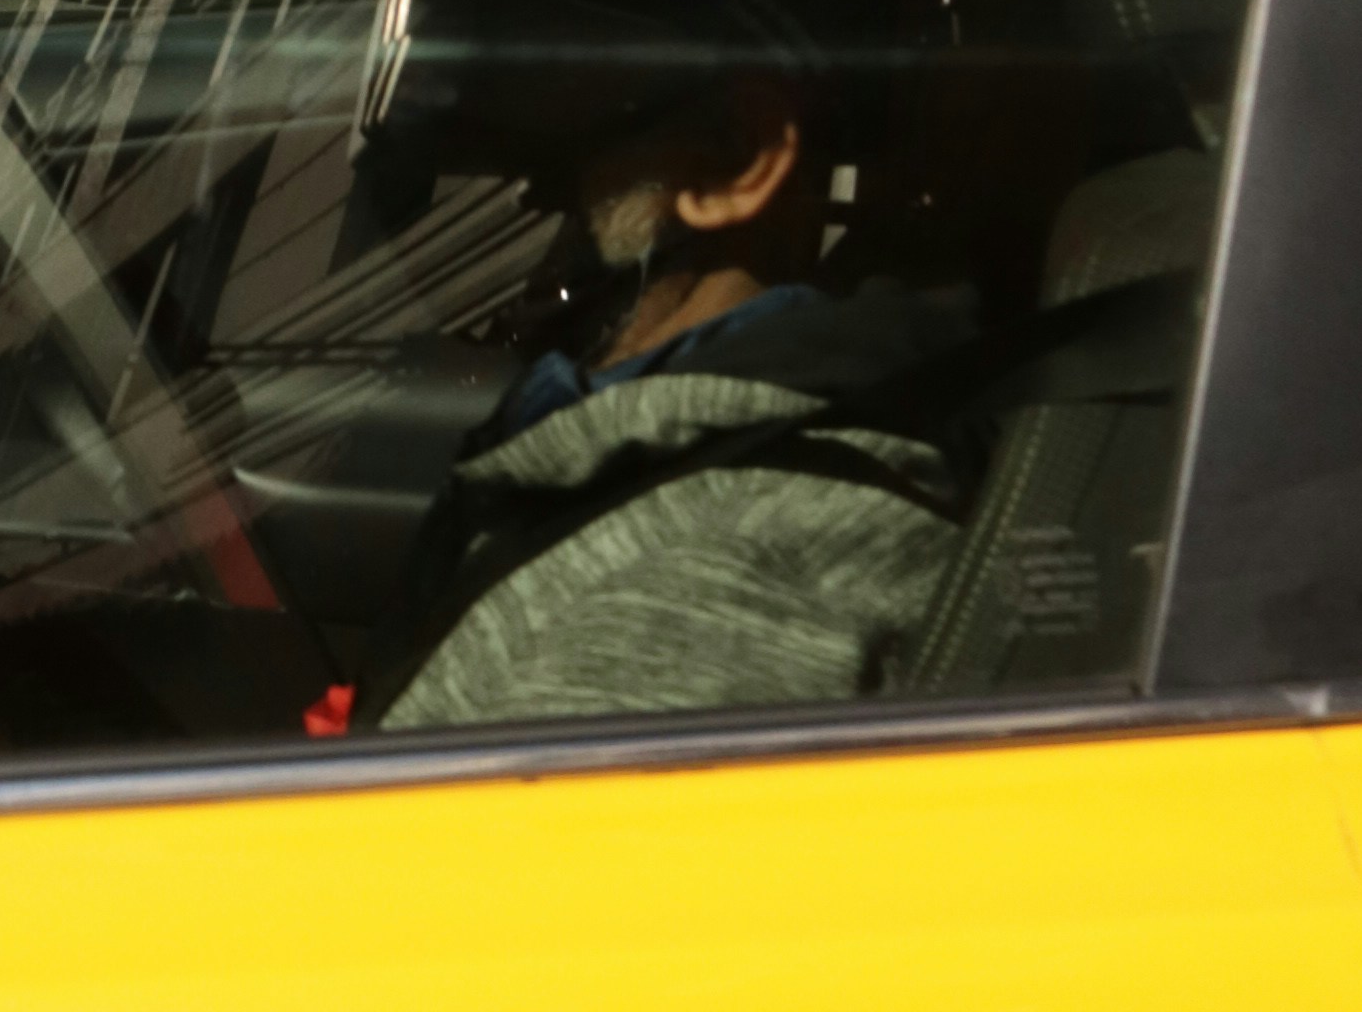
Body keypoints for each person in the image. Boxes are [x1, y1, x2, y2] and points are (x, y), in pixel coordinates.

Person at [364, 54, 969, 737]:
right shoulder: (589, 464)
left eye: (544, 156)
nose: (520, 201)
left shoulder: (715, 581)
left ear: (735, 160)